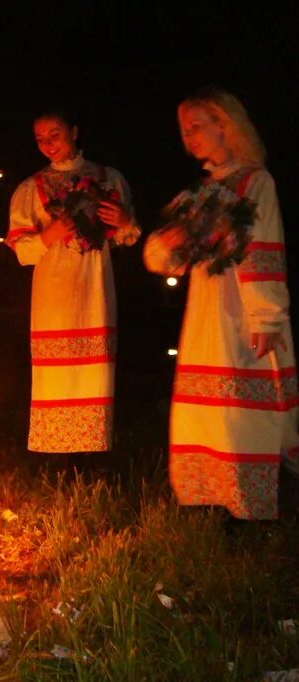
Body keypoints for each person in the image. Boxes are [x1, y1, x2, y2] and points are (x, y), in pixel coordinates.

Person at [143, 87, 298, 520]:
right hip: (206, 313)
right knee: (208, 411)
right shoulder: (202, 192)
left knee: (241, 412)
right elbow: (160, 257)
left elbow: (265, 248)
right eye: (183, 130)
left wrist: (267, 316)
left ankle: (249, 507)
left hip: (243, 310)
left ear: (224, 126)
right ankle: (210, 498)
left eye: (197, 127)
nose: (188, 137)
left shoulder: (254, 182)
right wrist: (172, 242)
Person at [5, 111, 141, 455]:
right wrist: (50, 234)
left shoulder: (109, 179)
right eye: (40, 139)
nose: (48, 144)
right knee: (57, 378)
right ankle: (57, 457)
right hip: (53, 293)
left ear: (75, 132)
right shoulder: (29, 189)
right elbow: (22, 251)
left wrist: (125, 221)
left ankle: (94, 453)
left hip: (94, 289)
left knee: (93, 373)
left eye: (55, 135)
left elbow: (127, 237)